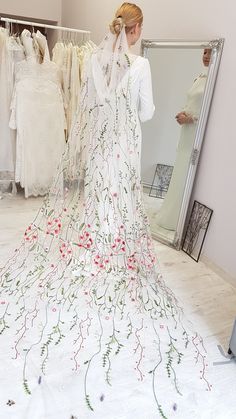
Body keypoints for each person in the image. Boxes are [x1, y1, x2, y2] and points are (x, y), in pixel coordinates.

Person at [0, 5, 210, 418]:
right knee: (121, 204)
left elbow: (92, 103)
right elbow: (146, 112)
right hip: (124, 147)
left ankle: (93, 256)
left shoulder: (95, 58)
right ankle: (114, 262)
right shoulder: (141, 64)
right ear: (138, 29)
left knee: (98, 202)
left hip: (98, 149)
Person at [156, 49, 212, 231]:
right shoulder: (200, 77)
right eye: (204, 52)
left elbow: (208, 111)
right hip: (187, 131)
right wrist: (183, 112)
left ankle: (177, 219)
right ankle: (170, 213)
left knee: (186, 171)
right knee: (180, 169)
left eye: (210, 53)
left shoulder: (212, 80)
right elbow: (192, 104)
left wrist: (191, 119)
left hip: (196, 132)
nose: (205, 56)